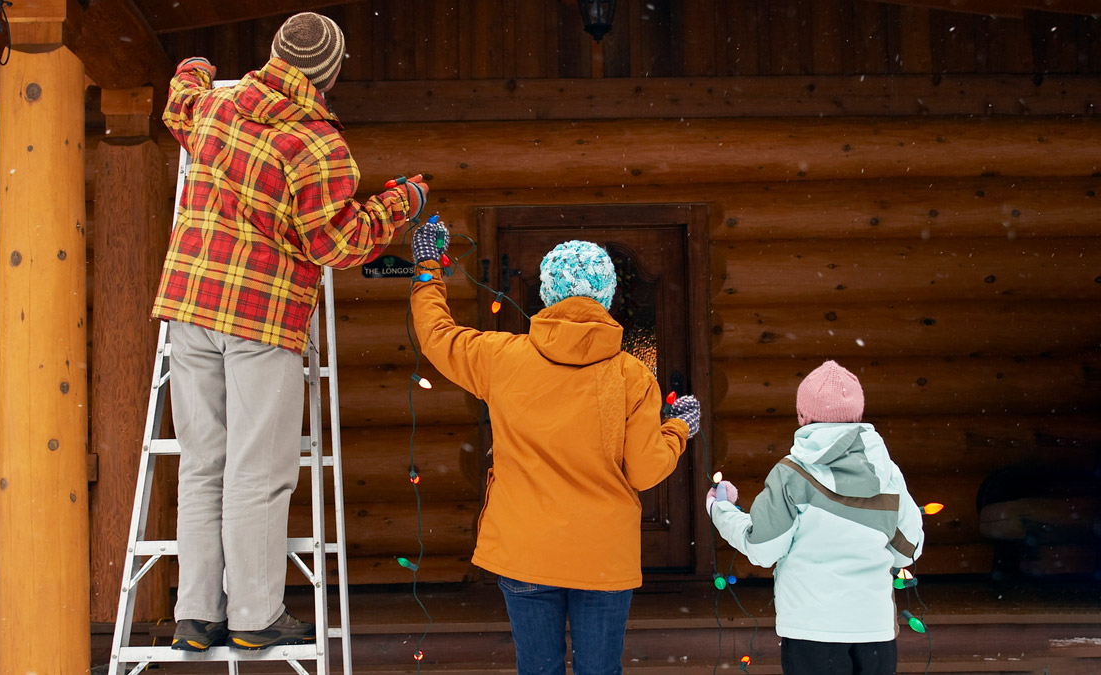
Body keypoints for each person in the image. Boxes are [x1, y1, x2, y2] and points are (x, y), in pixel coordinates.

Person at [154, 12, 428, 651]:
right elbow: (338, 241)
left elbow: (179, 103)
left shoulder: (217, 112)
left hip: (191, 308)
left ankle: (195, 615)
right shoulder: (318, 146)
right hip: (260, 317)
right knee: (257, 471)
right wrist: (401, 203)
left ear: (275, 55)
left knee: (202, 466)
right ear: (331, 73)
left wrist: (193, 66)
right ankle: (253, 616)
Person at [408, 226, 699, 675]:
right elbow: (645, 471)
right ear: (608, 294)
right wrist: (678, 427)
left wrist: (428, 264)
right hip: (602, 558)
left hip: (526, 550)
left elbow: (436, 334)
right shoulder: (632, 375)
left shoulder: (500, 357)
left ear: (546, 294)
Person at [708, 360, 925, 675]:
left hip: (812, 632)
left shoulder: (791, 474)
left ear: (802, 416)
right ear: (858, 416)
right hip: (874, 632)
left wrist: (720, 510)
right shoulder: (888, 473)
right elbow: (907, 551)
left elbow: (764, 548)